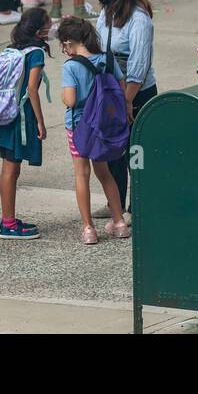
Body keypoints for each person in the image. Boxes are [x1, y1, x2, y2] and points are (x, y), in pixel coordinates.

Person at [57, 16, 130, 244]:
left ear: (69, 43)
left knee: (82, 174)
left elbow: (70, 100)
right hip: (104, 125)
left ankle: (88, 228)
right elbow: (121, 85)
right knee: (105, 173)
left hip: (79, 127)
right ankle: (119, 223)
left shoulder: (71, 67)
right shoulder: (108, 58)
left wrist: (63, 94)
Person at [94, 0, 156, 209]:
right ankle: (115, 203)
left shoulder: (139, 20)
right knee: (113, 151)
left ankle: (139, 205)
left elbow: (139, 66)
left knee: (136, 152)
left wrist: (127, 101)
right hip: (111, 90)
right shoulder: (106, 11)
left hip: (136, 93)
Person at [0, 8, 51, 239]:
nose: (50, 27)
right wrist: (41, 122)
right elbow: (32, 88)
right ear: (38, 31)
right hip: (20, 117)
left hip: (4, 113)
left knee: (8, 167)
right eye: (47, 25)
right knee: (11, 168)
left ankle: (9, 219)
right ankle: (9, 224)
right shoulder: (36, 54)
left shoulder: (11, 49)